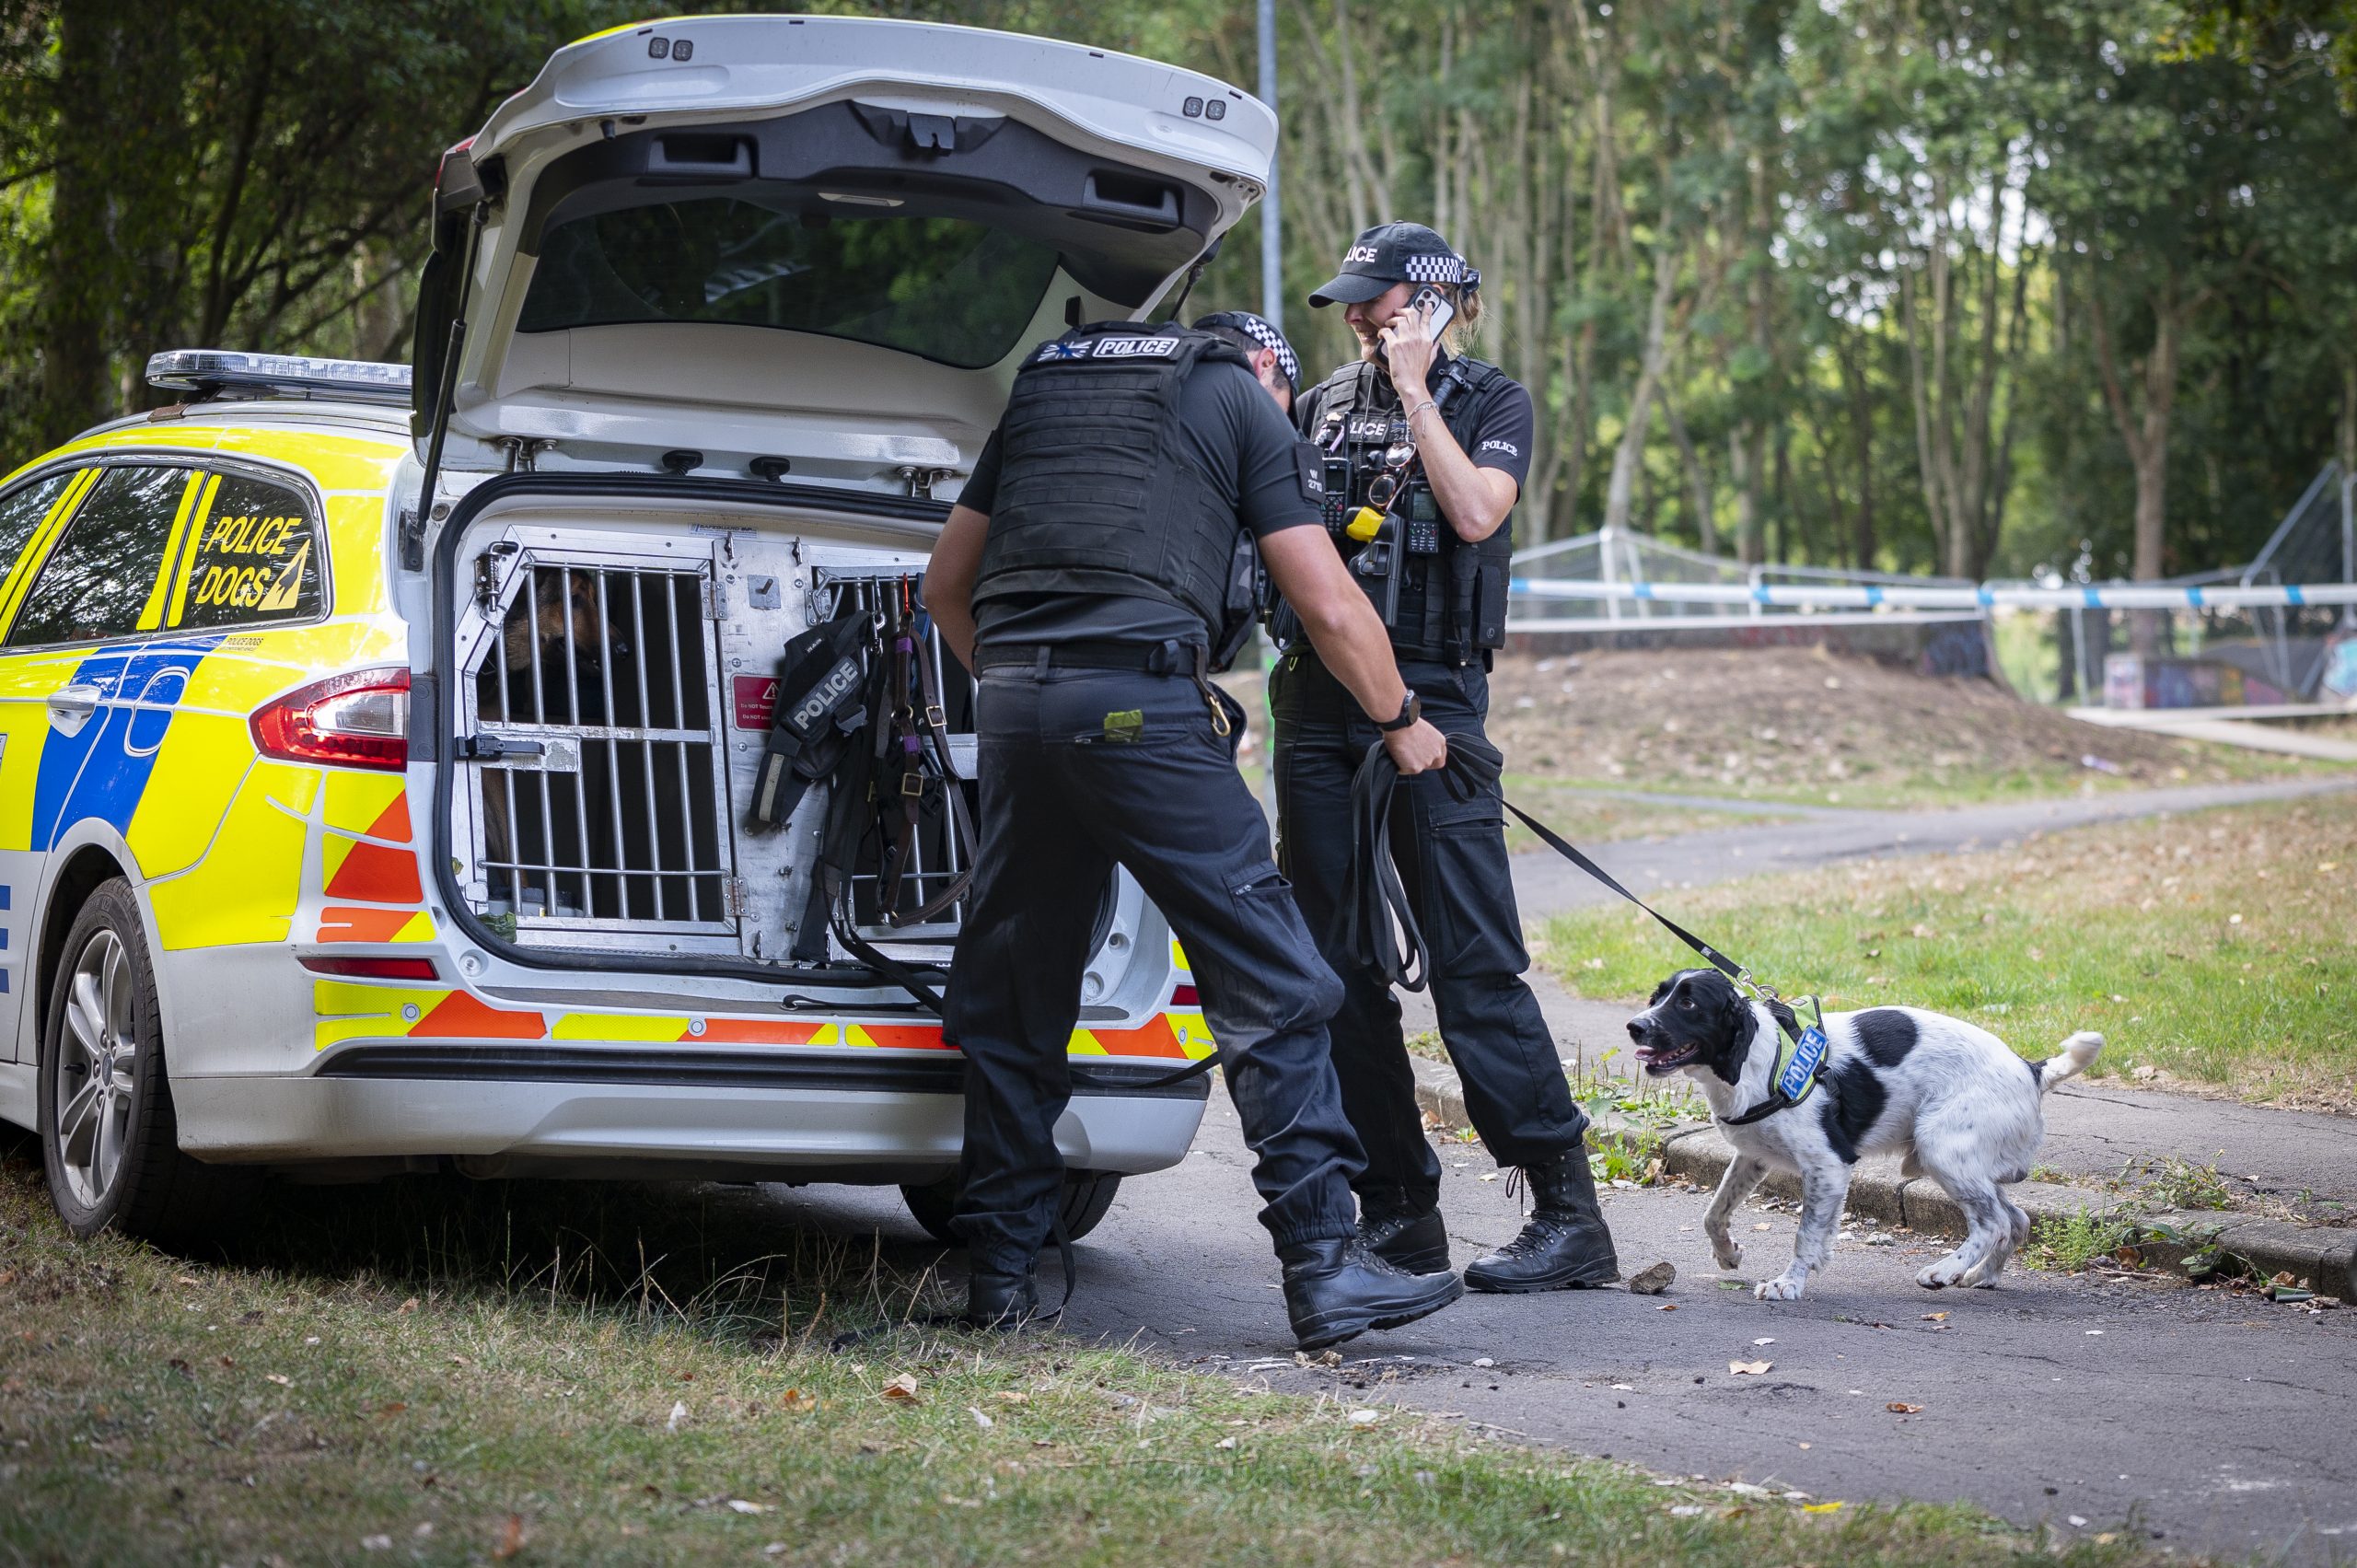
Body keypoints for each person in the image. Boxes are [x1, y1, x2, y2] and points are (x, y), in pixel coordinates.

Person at [923, 312, 1464, 1349]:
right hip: (1141, 712)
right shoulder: (1234, 398)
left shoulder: (1049, 396)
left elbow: (945, 585)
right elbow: (1327, 602)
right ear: (1265, 368)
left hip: (1016, 710)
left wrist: (1029, 691)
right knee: (1274, 978)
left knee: (1016, 994)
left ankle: (999, 1276)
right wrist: (1401, 721)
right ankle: (1323, 1265)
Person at [1269, 222, 1620, 1293]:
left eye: (1377, 300)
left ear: (1431, 303)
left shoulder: (1492, 403)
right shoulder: (1318, 406)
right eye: (1352, 301)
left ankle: (1567, 1214)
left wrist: (1418, 392)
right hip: (1318, 704)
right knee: (1334, 971)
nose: (1359, 317)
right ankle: (1398, 1211)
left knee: (1470, 960)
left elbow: (1473, 512)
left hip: (1435, 704)